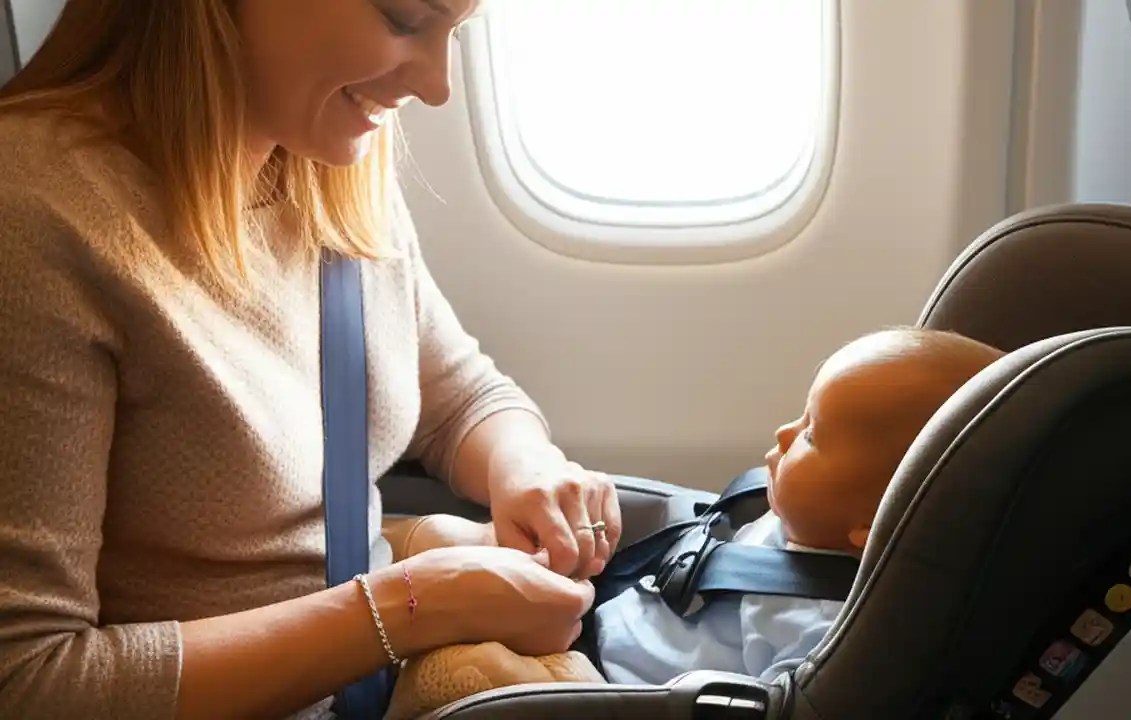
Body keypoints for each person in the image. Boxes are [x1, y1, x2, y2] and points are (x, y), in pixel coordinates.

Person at [0, 2, 622, 719]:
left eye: (455, 32)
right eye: (402, 17)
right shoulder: (35, 219)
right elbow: (28, 681)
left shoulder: (324, 161)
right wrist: (420, 605)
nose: (436, 84)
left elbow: (458, 395)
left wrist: (531, 473)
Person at [402, 328, 1006, 687]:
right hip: (603, 607)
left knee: (458, 676)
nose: (785, 432)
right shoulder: (803, 523)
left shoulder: (820, 628)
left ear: (873, 523)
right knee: (453, 545)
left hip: (598, 681)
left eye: (814, 435)